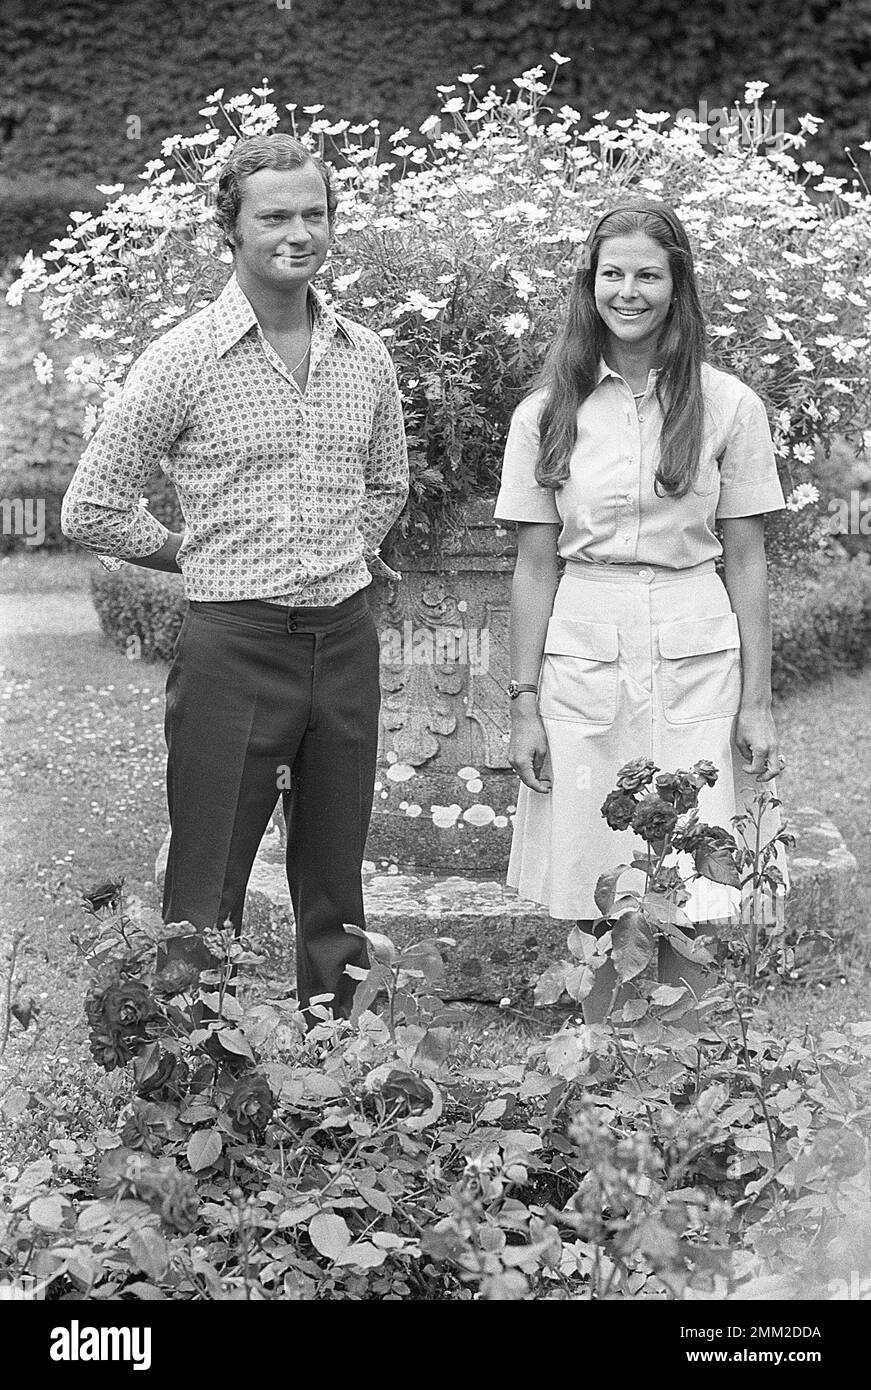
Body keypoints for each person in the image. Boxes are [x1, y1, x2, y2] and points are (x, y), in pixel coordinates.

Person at [62, 133, 409, 1020]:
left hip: (342, 642)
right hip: (234, 648)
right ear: (230, 228)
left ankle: (339, 1063)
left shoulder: (363, 354)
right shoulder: (183, 359)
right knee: (205, 886)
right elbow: (93, 505)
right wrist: (200, 553)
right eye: (275, 216)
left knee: (335, 883)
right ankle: (191, 1078)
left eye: (314, 213)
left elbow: (387, 481)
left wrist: (341, 544)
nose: (298, 232)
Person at [494, 197, 788, 1024]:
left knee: (695, 877)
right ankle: (604, 1085)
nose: (628, 291)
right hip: (584, 641)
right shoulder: (548, 412)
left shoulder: (729, 406)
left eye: (646, 275)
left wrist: (757, 702)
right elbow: (532, 563)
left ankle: (687, 1089)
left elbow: (746, 556)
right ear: (588, 286)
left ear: (676, 285)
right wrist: (522, 705)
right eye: (610, 274)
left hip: (696, 640)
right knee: (597, 866)